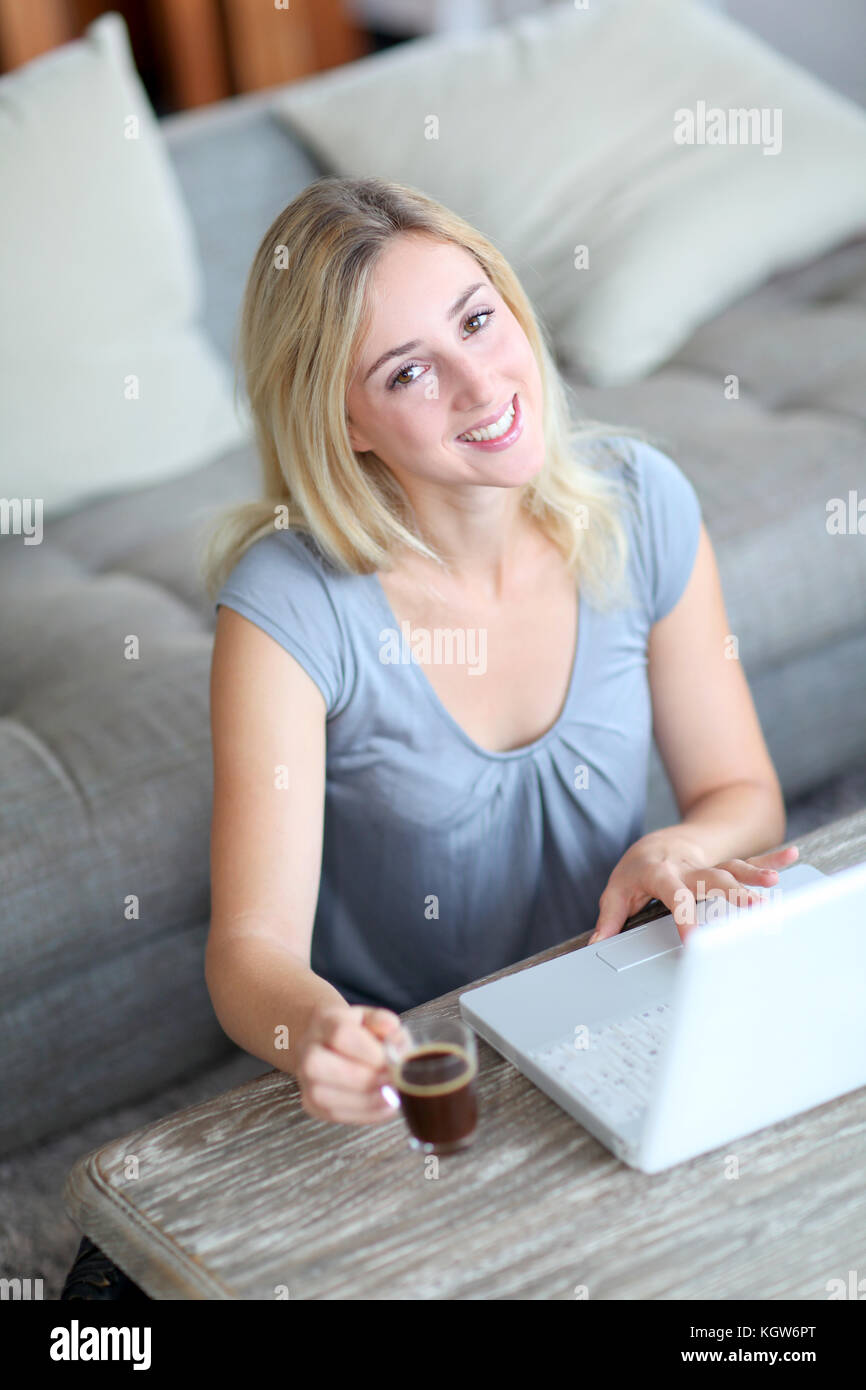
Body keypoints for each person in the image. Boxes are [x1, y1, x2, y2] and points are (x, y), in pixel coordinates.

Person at [201, 175, 796, 1133]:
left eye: (477, 321)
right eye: (408, 371)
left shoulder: (643, 500)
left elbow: (743, 793)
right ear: (344, 425)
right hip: (426, 1058)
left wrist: (675, 848)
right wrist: (319, 1034)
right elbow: (246, 952)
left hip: (623, 998)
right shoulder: (288, 607)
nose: (480, 385)